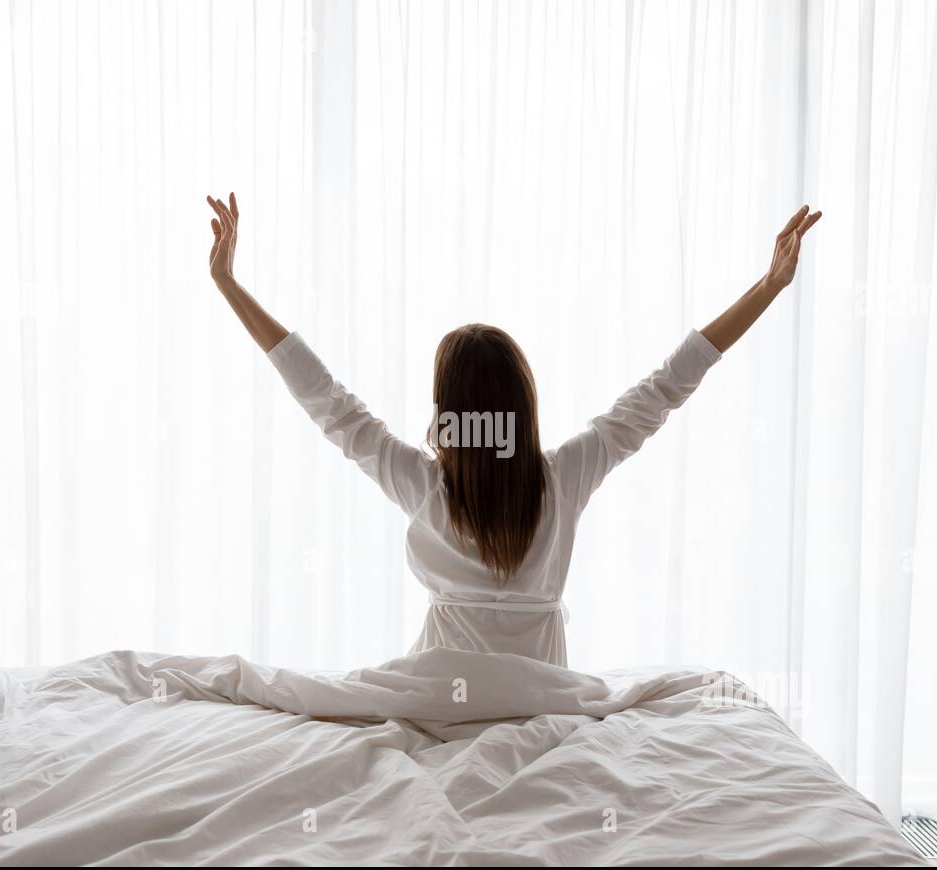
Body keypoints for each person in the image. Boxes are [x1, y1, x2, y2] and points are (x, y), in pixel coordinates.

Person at [206, 193, 821, 666]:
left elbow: (324, 400)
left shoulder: (423, 484)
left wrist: (230, 285)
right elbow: (668, 385)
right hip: (540, 706)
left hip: (437, 704)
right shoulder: (565, 476)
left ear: (448, 410)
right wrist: (768, 287)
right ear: (523, 404)